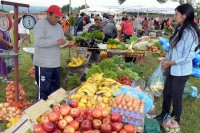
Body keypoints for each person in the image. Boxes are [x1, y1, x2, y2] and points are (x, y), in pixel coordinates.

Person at [155, 3, 200, 125]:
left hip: (181, 71)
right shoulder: (180, 28)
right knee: (167, 92)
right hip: (172, 68)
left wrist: (169, 63)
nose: (174, 17)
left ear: (184, 16)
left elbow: (187, 57)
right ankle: (164, 114)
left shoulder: (190, 33)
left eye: (176, 14)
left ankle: (175, 121)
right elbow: (173, 48)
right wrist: (166, 57)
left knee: (176, 97)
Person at [33, 5, 67, 100]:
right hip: (43, 64)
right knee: (43, 91)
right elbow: (38, 42)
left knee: (55, 91)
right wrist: (55, 42)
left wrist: (64, 43)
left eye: (59, 17)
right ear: (48, 14)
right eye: (55, 17)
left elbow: (63, 40)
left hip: (55, 64)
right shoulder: (41, 25)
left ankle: (52, 111)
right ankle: (39, 111)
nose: (57, 19)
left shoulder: (59, 27)